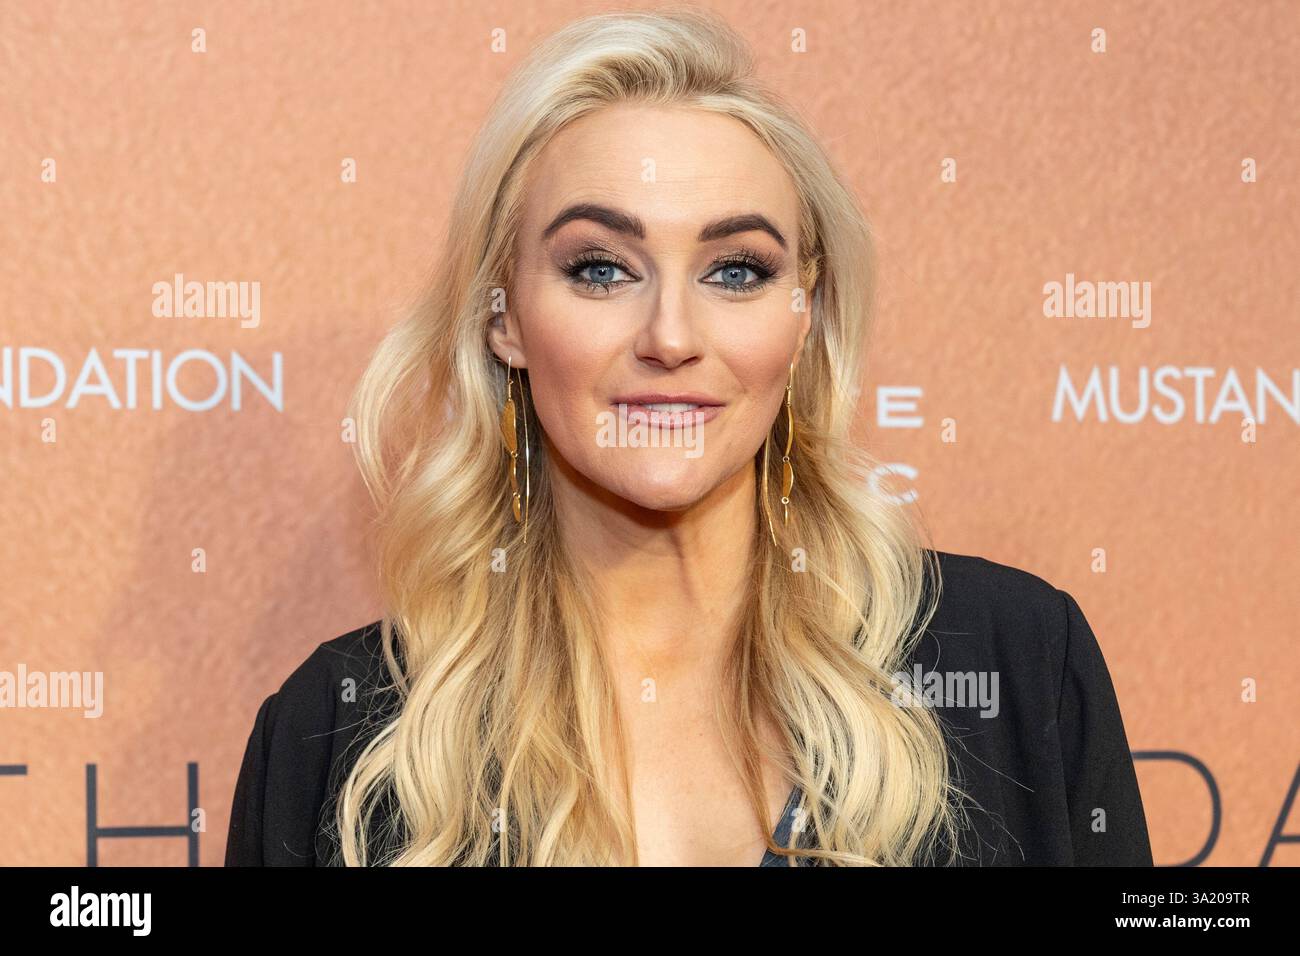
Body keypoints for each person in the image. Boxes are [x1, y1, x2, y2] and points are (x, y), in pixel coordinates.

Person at [225, 8, 1153, 867]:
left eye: (737, 271)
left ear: (804, 318)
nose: (670, 336)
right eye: (599, 268)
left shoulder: (1015, 664)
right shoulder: (338, 738)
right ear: (502, 315)